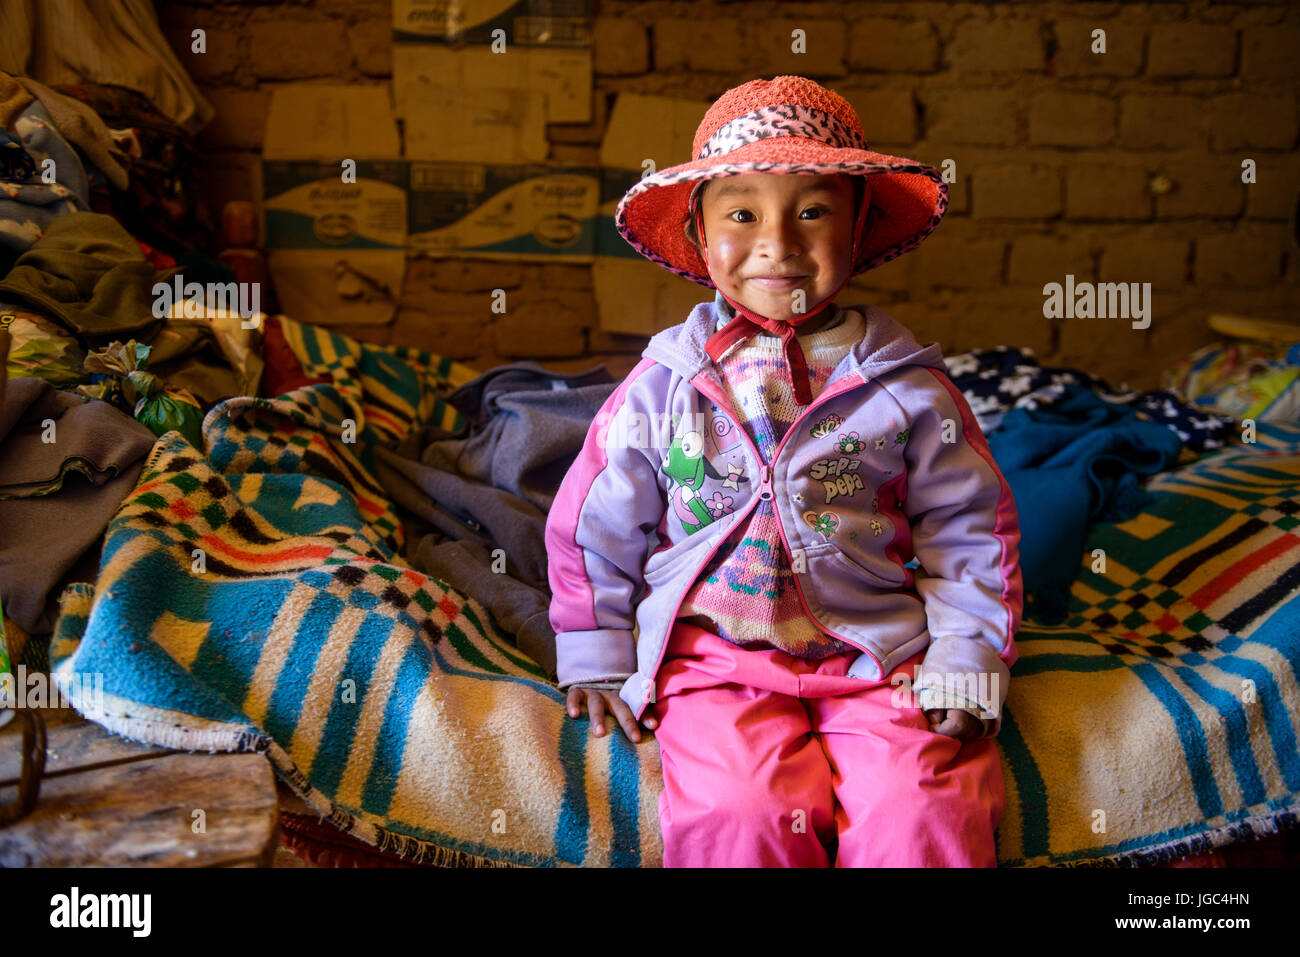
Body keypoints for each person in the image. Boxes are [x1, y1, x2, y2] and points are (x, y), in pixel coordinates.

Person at [544, 76, 1023, 867]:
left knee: (921, 808)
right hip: (715, 663)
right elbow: (594, 519)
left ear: (860, 226)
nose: (779, 242)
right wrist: (596, 653)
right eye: (742, 212)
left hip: (878, 656)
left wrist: (965, 660)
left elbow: (971, 530)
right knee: (739, 812)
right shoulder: (669, 380)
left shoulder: (906, 387)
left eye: (812, 210)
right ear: (698, 233)